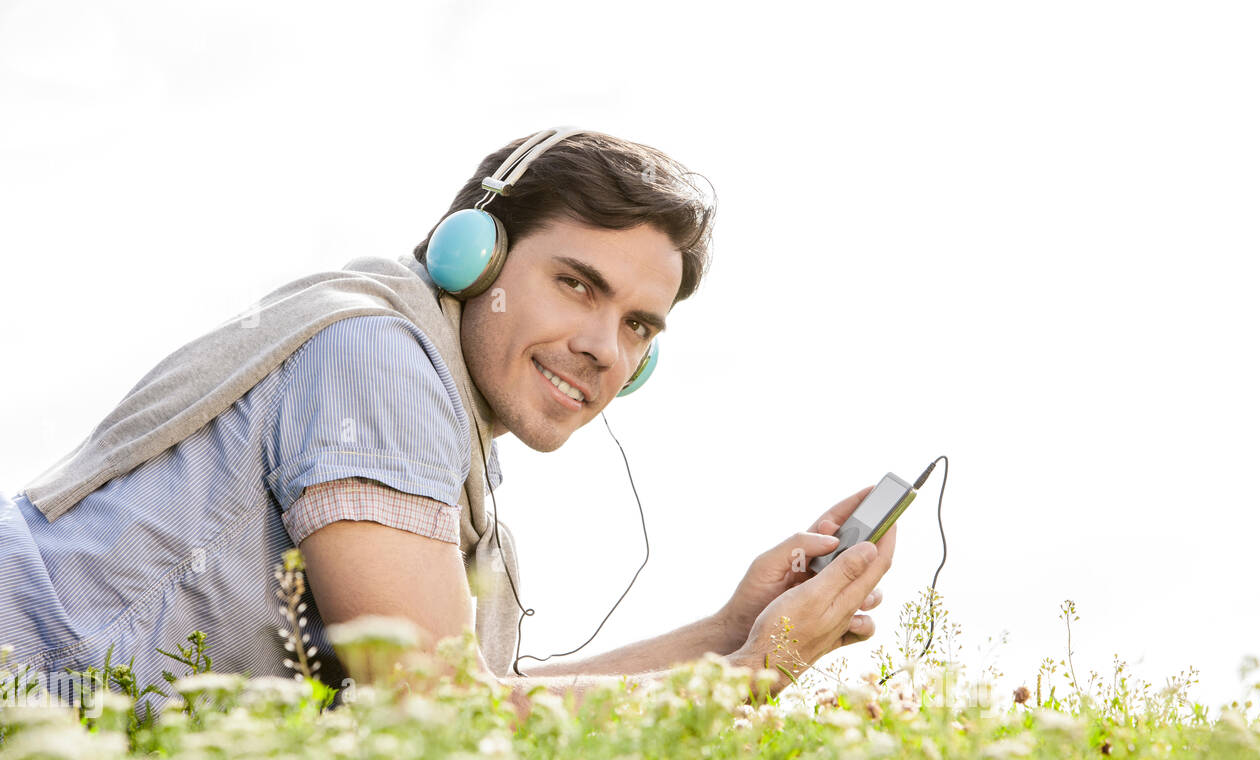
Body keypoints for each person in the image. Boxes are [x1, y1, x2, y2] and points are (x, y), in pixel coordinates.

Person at [0, 129, 893, 715]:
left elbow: (487, 703)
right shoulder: (380, 363)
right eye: (576, 284)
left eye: (637, 326)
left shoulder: (455, 460)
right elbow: (435, 716)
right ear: (473, 257)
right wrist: (749, 677)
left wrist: (729, 630)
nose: (602, 349)